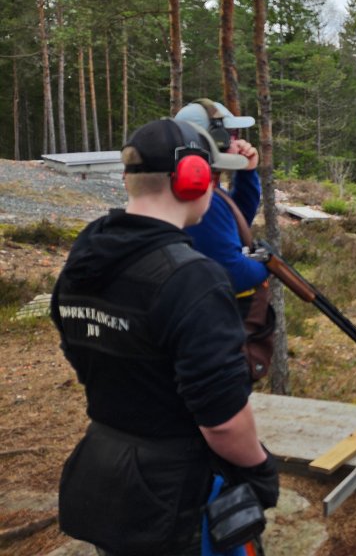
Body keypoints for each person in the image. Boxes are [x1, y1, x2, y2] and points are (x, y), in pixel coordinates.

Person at [51, 118, 279, 556]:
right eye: (211, 175)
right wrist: (259, 468)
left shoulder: (87, 254)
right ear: (193, 181)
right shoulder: (193, 280)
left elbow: (77, 348)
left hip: (108, 477)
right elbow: (223, 420)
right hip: (178, 494)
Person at [175, 98, 273, 381]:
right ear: (211, 140)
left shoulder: (204, 191)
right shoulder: (202, 198)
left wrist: (246, 171)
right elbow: (234, 273)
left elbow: (238, 216)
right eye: (230, 136)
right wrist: (266, 264)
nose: (237, 142)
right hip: (215, 323)